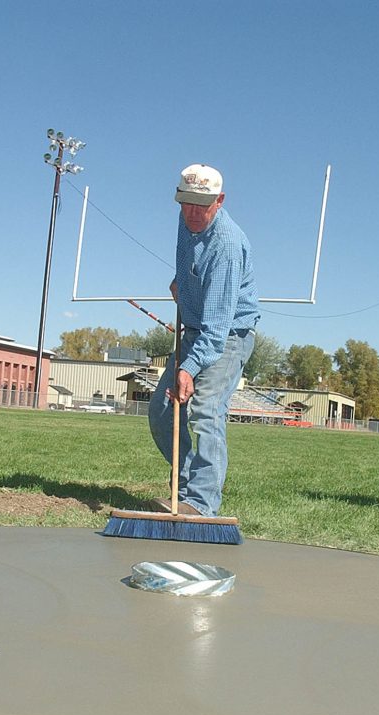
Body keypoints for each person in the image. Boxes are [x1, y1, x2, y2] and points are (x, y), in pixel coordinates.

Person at [148, 165, 259, 517]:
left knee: (205, 410)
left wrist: (189, 369)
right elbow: (191, 259)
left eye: (202, 205)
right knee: (162, 411)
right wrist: (182, 281)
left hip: (228, 336)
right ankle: (185, 488)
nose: (193, 213)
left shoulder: (227, 245)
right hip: (196, 328)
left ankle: (201, 502)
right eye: (187, 203)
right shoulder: (187, 220)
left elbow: (216, 329)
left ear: (220, 200)